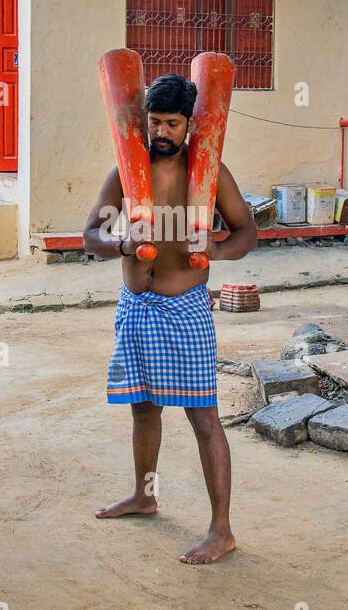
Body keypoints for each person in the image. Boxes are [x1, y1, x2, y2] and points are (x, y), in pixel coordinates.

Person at [83, 72, 258, 564]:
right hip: (136, 306)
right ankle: (145, 495)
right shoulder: (124, 170)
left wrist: (218, 250)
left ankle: (221, 530)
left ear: (189, 126)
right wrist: (119, 243)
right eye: (154, 121)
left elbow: (247, 233)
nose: (161, 132)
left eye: (172, 123)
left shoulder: (210, 173)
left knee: (203, 417)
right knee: (144, 410)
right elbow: (89, 235)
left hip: (185, 310)